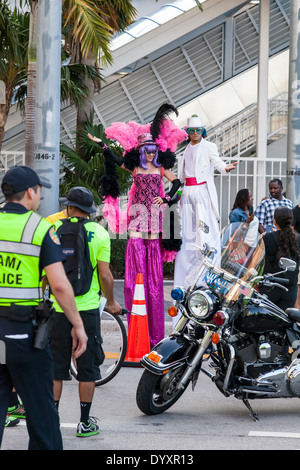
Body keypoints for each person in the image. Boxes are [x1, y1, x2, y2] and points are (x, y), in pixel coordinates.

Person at [0, 165, 87, 450]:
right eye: (39, 191)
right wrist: (78, 325)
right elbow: (60, 285)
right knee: (42, 413)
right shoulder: (40, 228)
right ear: (30, 193)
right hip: (23, 333)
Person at [88, 103, 186, 348]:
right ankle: (135, 334)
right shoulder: (134, 168)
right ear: (141, 151)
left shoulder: (161, 168)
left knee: (154, 279)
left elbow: (178, 185)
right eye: (147, 151)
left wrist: (165, 199)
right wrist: (102, 144)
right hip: (136, 220)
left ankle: (153, 336)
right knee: (136, 275)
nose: (151, 154)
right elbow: (113, 158)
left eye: (153, 150)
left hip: (154, 220)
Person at [50, 186, 122, 437]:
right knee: (87, 368)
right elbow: (105, 275)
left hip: (59, 310)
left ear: (69, 208)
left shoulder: (55, 232)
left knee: (56, 368)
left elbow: (46, 275)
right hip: (88, 310)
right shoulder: (101, 234)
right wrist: (111, 302)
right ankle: (84, 422)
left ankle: (52, 420)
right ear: (89, 211)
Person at [173, 115, 237, 302]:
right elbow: (182, 175)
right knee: (188, 232)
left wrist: (225, 168)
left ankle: (206, 262)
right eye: (191, 131)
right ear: (187, 132)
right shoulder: (185, 151)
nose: (194, 134)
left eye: (198, 130)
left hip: (201, 190)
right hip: (187, 191)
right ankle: (189, 264)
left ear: (203, 131)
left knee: (204, 231)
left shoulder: (209, 146)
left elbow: (217, 162)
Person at [259, 206, 300, 310]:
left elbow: (257, 261)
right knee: (286, 323)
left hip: (269, 288)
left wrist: (260, 239)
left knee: (264, 321)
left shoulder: (267, 238)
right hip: (290, 289)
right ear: (290, 221)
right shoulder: (298, 239)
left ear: (274, 221)